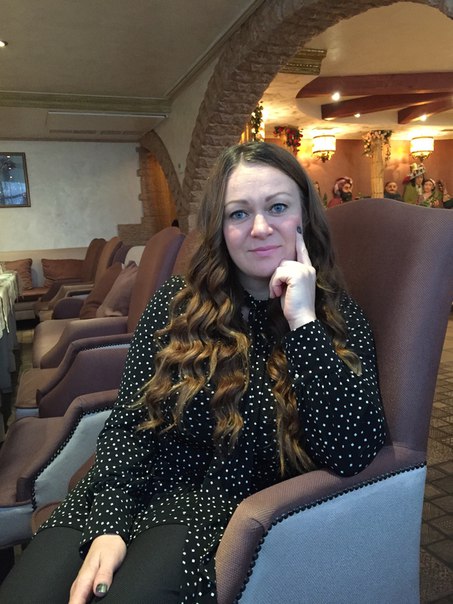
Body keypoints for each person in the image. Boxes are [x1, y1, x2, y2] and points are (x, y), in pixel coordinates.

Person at [0, 142, 386, 604]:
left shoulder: (335, 317)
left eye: (278, 207)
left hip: (216, 506)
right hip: (131, 483)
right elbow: (129, 422)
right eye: (238, 213)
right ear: (220, 227)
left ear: (304, 216)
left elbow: (351, 452)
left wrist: (302, 321)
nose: (260, 228)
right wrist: (109, 523)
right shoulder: (175, 303)